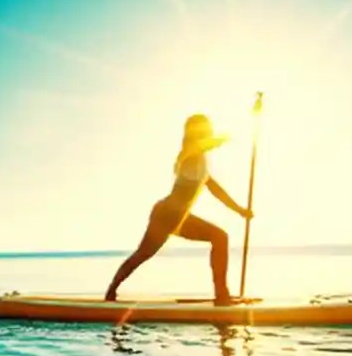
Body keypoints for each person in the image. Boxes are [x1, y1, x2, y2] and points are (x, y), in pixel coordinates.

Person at [104, 113, 252, 304]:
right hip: (165, 215)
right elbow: (205, 145)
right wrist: (237, 131)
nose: (208, 132)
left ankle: (222, 295)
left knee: (220, 238)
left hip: (179, 217)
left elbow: (217, 191)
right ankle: (111, 292)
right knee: (143, 254)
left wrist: (240, 210)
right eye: (204, 129)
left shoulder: (203, 163)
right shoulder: (187, 152)